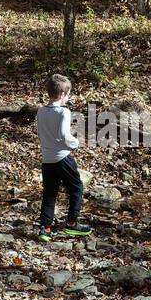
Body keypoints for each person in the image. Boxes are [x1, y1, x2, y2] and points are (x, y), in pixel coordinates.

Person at [36, 73, 92, 241]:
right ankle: (72, 224)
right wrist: (75, 143)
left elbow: (42, 133)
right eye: (68, 94)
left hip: (47, 160)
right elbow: (63, 135)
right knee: (76, 188)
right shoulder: (64, 112)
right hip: (63, 158)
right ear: (62, 94)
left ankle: (45, 229)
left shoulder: (40, 111)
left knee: (49, 194)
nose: (68, 97)